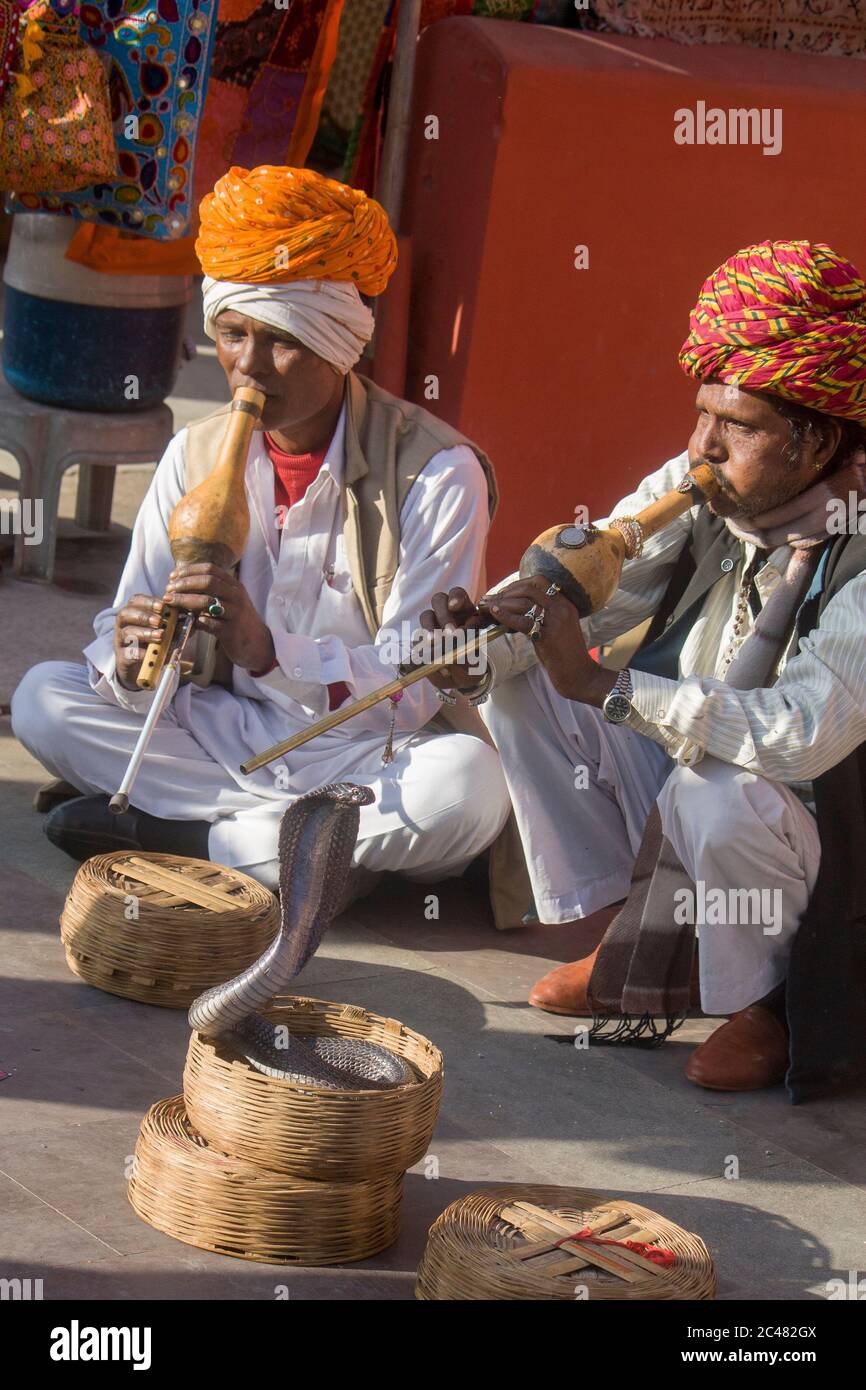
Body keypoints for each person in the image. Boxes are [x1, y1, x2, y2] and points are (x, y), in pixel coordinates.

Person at [420, 240, 866, 1096]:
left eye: (736, 425)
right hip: (720, 783)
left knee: (718, 792)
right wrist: (476, 646)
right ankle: (635, 932)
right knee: (524, 682)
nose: (703, 445)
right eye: (703, 413)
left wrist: (612, 688)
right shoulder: (708, 483)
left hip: (819, 836)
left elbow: (801, 737)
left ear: (817, 439)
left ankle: (771, 1000)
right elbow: (586, 601)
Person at [12, 165, 510, 892]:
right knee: (44, 698)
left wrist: (268, 652)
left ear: (340, 341)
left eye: (282, 341)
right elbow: (128, 621)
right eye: (231, 333)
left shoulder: (438, 472)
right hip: (220, 732)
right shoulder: (196, 451)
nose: (247, 367)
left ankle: (182, 835)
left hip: (359, 752)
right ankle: (301, 855)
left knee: (466, 785)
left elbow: (416, 685)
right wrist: (126, 661)